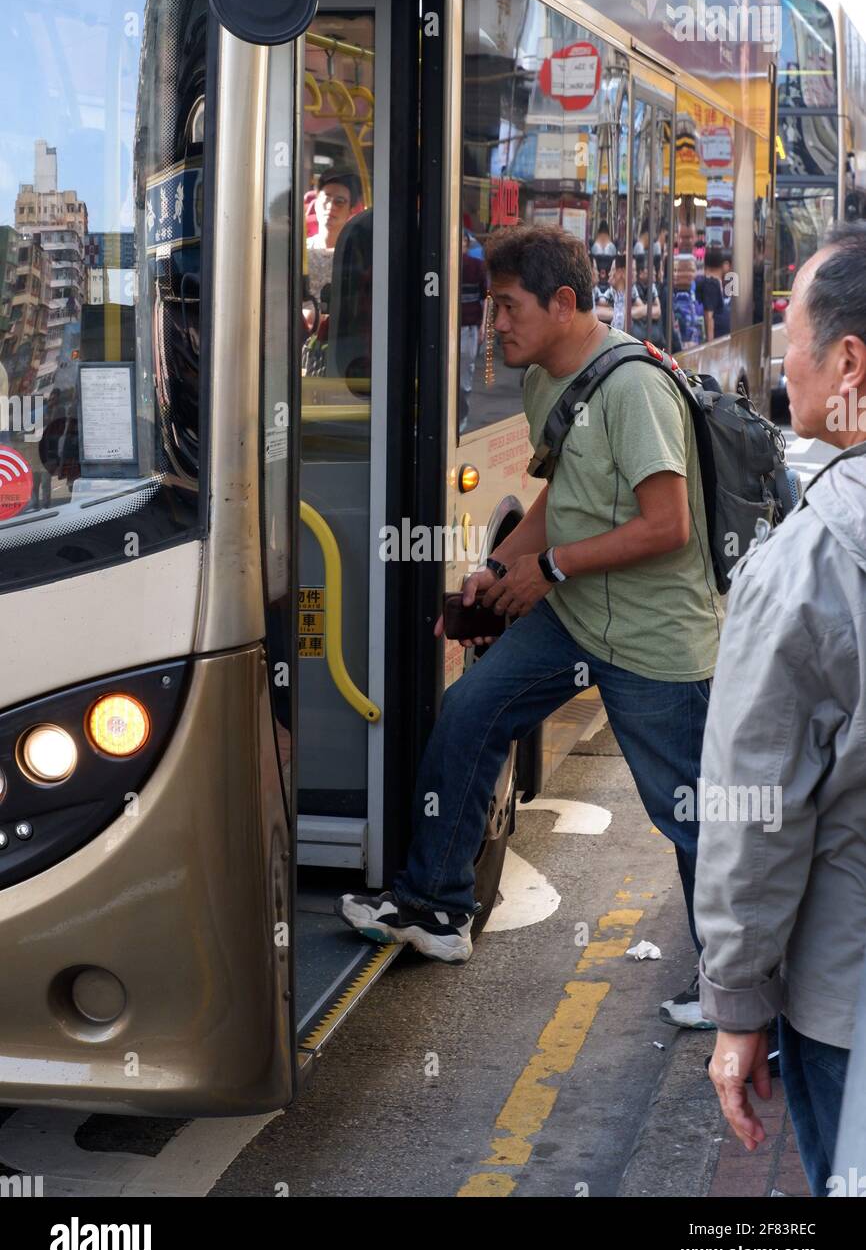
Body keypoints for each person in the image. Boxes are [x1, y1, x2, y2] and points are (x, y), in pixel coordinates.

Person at [338, 225, 723, 1032]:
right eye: (487, 305)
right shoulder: (550, 380)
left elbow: (669, 527)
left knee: (689, 813)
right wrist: (503, 564)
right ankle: (437, 908)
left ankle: (736, 987)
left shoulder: (633, 391)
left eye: (507, 307)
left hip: (653, 640)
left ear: (563, 303)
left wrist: (547, 571)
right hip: (577, 617)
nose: (494, 324)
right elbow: (560, 495)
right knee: (473, 713)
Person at [696, 222, 866, 1195]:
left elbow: (751, 808)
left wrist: (735, 1008)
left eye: (788, 334)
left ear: (846, 360)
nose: (776, 359)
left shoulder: (808, 562)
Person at [306, 168, 362, 306]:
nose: (331, 206)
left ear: (352, 209)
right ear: (316, 201)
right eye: (326, 198)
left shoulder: (356, 255)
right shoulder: (300, 250)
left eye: (340, 201)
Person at [459, 229, 487, 432]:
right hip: (449, 330)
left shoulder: (477, 266)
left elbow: (485, 297)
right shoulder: (443, 264)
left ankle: (461, 417)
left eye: (462, 241)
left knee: (465, 376)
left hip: (469, 327)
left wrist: (484, 326)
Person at [694, 245, 731, 342]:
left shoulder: (711, 283)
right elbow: (709, 316)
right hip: (715, 342)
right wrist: (710, 345)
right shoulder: (711, 284)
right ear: (724, 265)